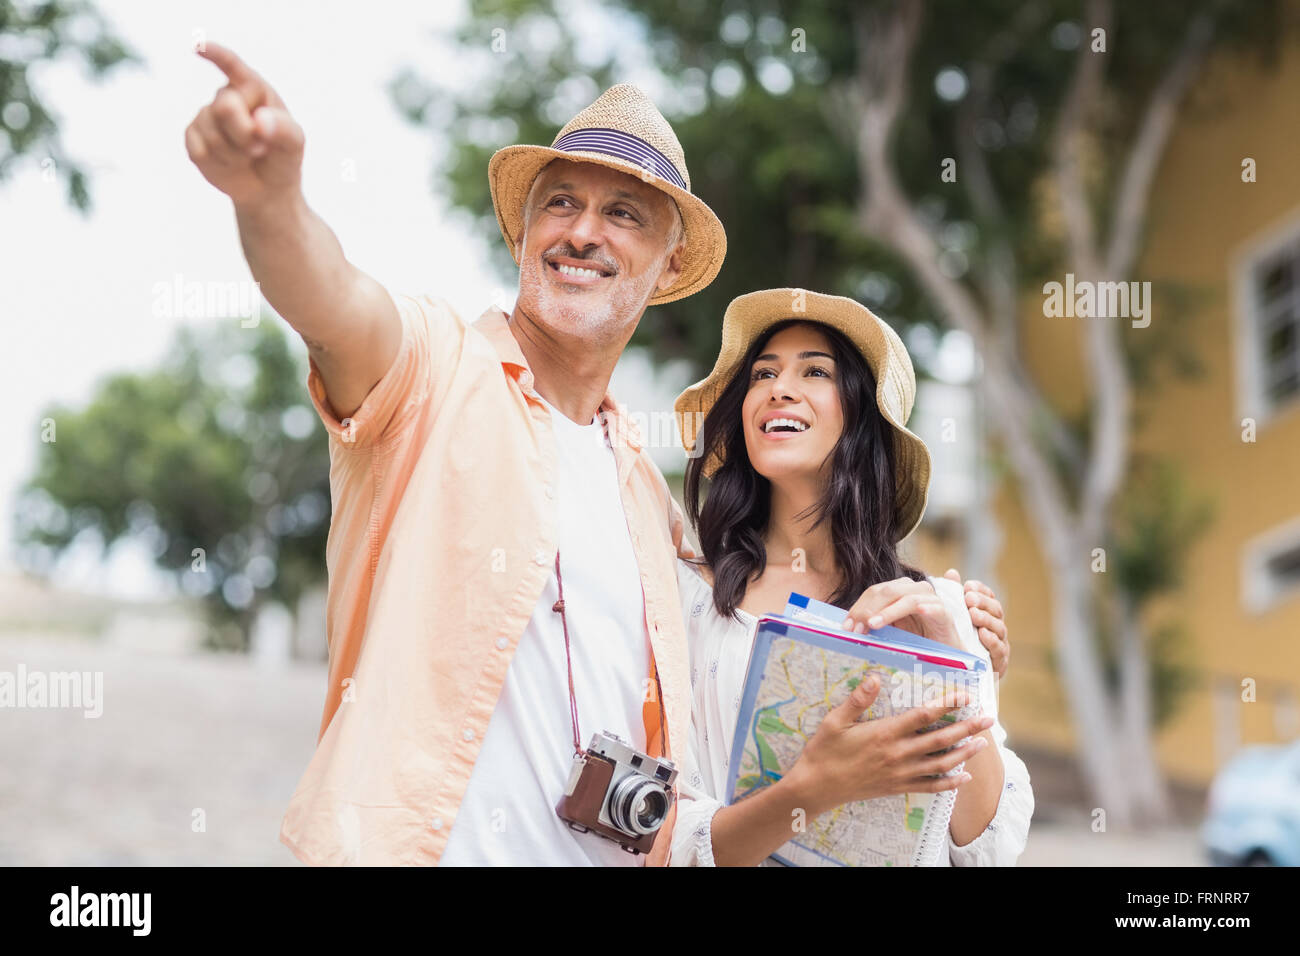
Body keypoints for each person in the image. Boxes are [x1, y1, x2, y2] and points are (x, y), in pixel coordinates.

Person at [185, 42, 728, 865]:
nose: (583, 232)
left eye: (624, 214)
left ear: (669, 261)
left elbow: (746, 623)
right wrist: (270, 202)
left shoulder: (647, 493)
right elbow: (333, 301)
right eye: (561, 204)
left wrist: (932, 615)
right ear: (521, 231)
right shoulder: (436, 369)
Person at [668, 288, 1034, 866]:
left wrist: (952, 660)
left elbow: (984, 845)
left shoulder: (938, 608)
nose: (778, 387)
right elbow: (672, 834)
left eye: (815, 370)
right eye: (762, 373)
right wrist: (813, 789)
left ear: (863, 419)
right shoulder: (685, 600)